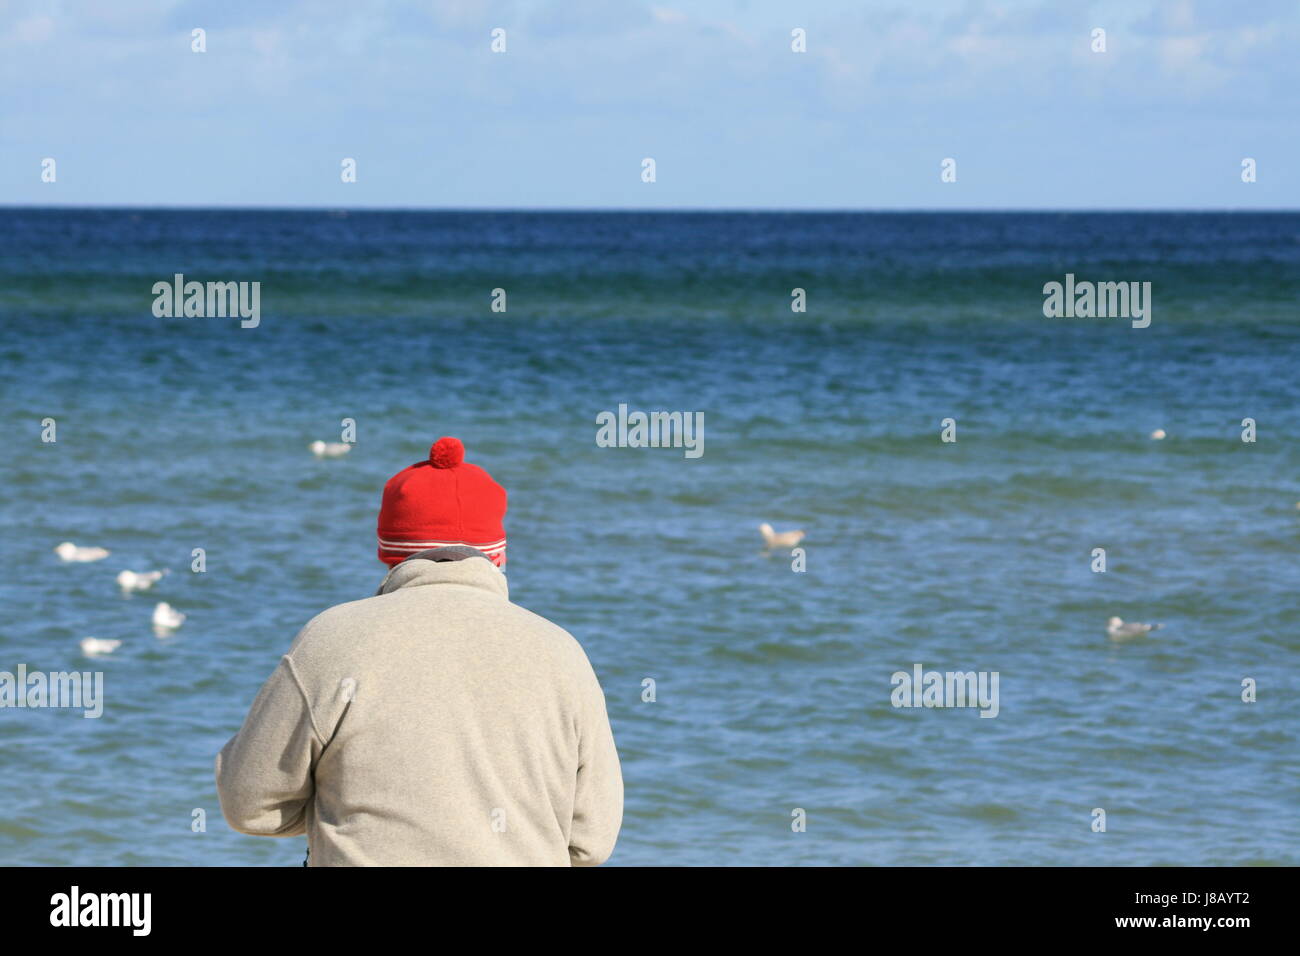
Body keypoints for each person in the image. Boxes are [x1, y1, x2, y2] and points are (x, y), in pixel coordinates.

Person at [215, 437, 623, 866]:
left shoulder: (332, 637)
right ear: (497, 555)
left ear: (388, 551)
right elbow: (590, 841)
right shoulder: (561, 653)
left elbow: (249, 805)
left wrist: (338, 810)